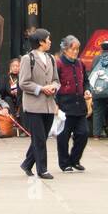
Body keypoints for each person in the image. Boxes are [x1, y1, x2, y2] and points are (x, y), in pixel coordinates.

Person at [18, 28, 59, 179]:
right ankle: (43, 169)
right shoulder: (28, 59)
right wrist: (41, 89)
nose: (50, 41)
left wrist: (53, 88)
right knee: (40, 139)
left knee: (39, 137)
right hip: (33, 105)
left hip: (49, 105)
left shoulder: (51, 59)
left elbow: (56, 80)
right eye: (48, 39)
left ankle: (27, 164)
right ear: (41, 42)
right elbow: (23, 83)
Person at [54, 35, 90, 170]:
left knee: (84, 133)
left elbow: (85, 81)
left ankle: (74, 160)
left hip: (79, 104)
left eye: (77, 49)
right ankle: (64, 163)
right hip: (64, 104)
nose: (75, 52)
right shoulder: (58, 64)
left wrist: (87, 90)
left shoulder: (80, 63)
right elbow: (54, 84)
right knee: (63, 136)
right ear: (65, 49)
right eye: (72, 49)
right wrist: (55, 104)